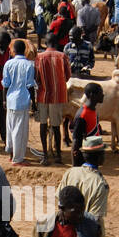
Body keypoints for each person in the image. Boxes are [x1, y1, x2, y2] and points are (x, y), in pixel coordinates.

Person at [59, 134, 110, 237]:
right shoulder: (100, 183)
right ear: (99, 157)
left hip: (65, 235)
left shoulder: (70, 172)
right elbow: (95, 220)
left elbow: (59, 203)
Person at [35, 33, 70, 165]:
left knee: (43, 126)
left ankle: (45, 154)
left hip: (43, 96)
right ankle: (58, 155)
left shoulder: (39, 57)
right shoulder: (63, 56)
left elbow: (36, 78)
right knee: (56, 126)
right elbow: (67, 76)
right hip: (57, 96)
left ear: (45, 43)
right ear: (56, 43)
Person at [2, 38, 37, 166]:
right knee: (19, 131)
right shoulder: (29, 65)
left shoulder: (8, 64)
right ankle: (18, 159)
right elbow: (30, 86)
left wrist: (4, 100)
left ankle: (11, 155)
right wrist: (34, 102)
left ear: (14, 50)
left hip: (10, 100)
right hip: (22, 101)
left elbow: (5, 84)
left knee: (10, 129)